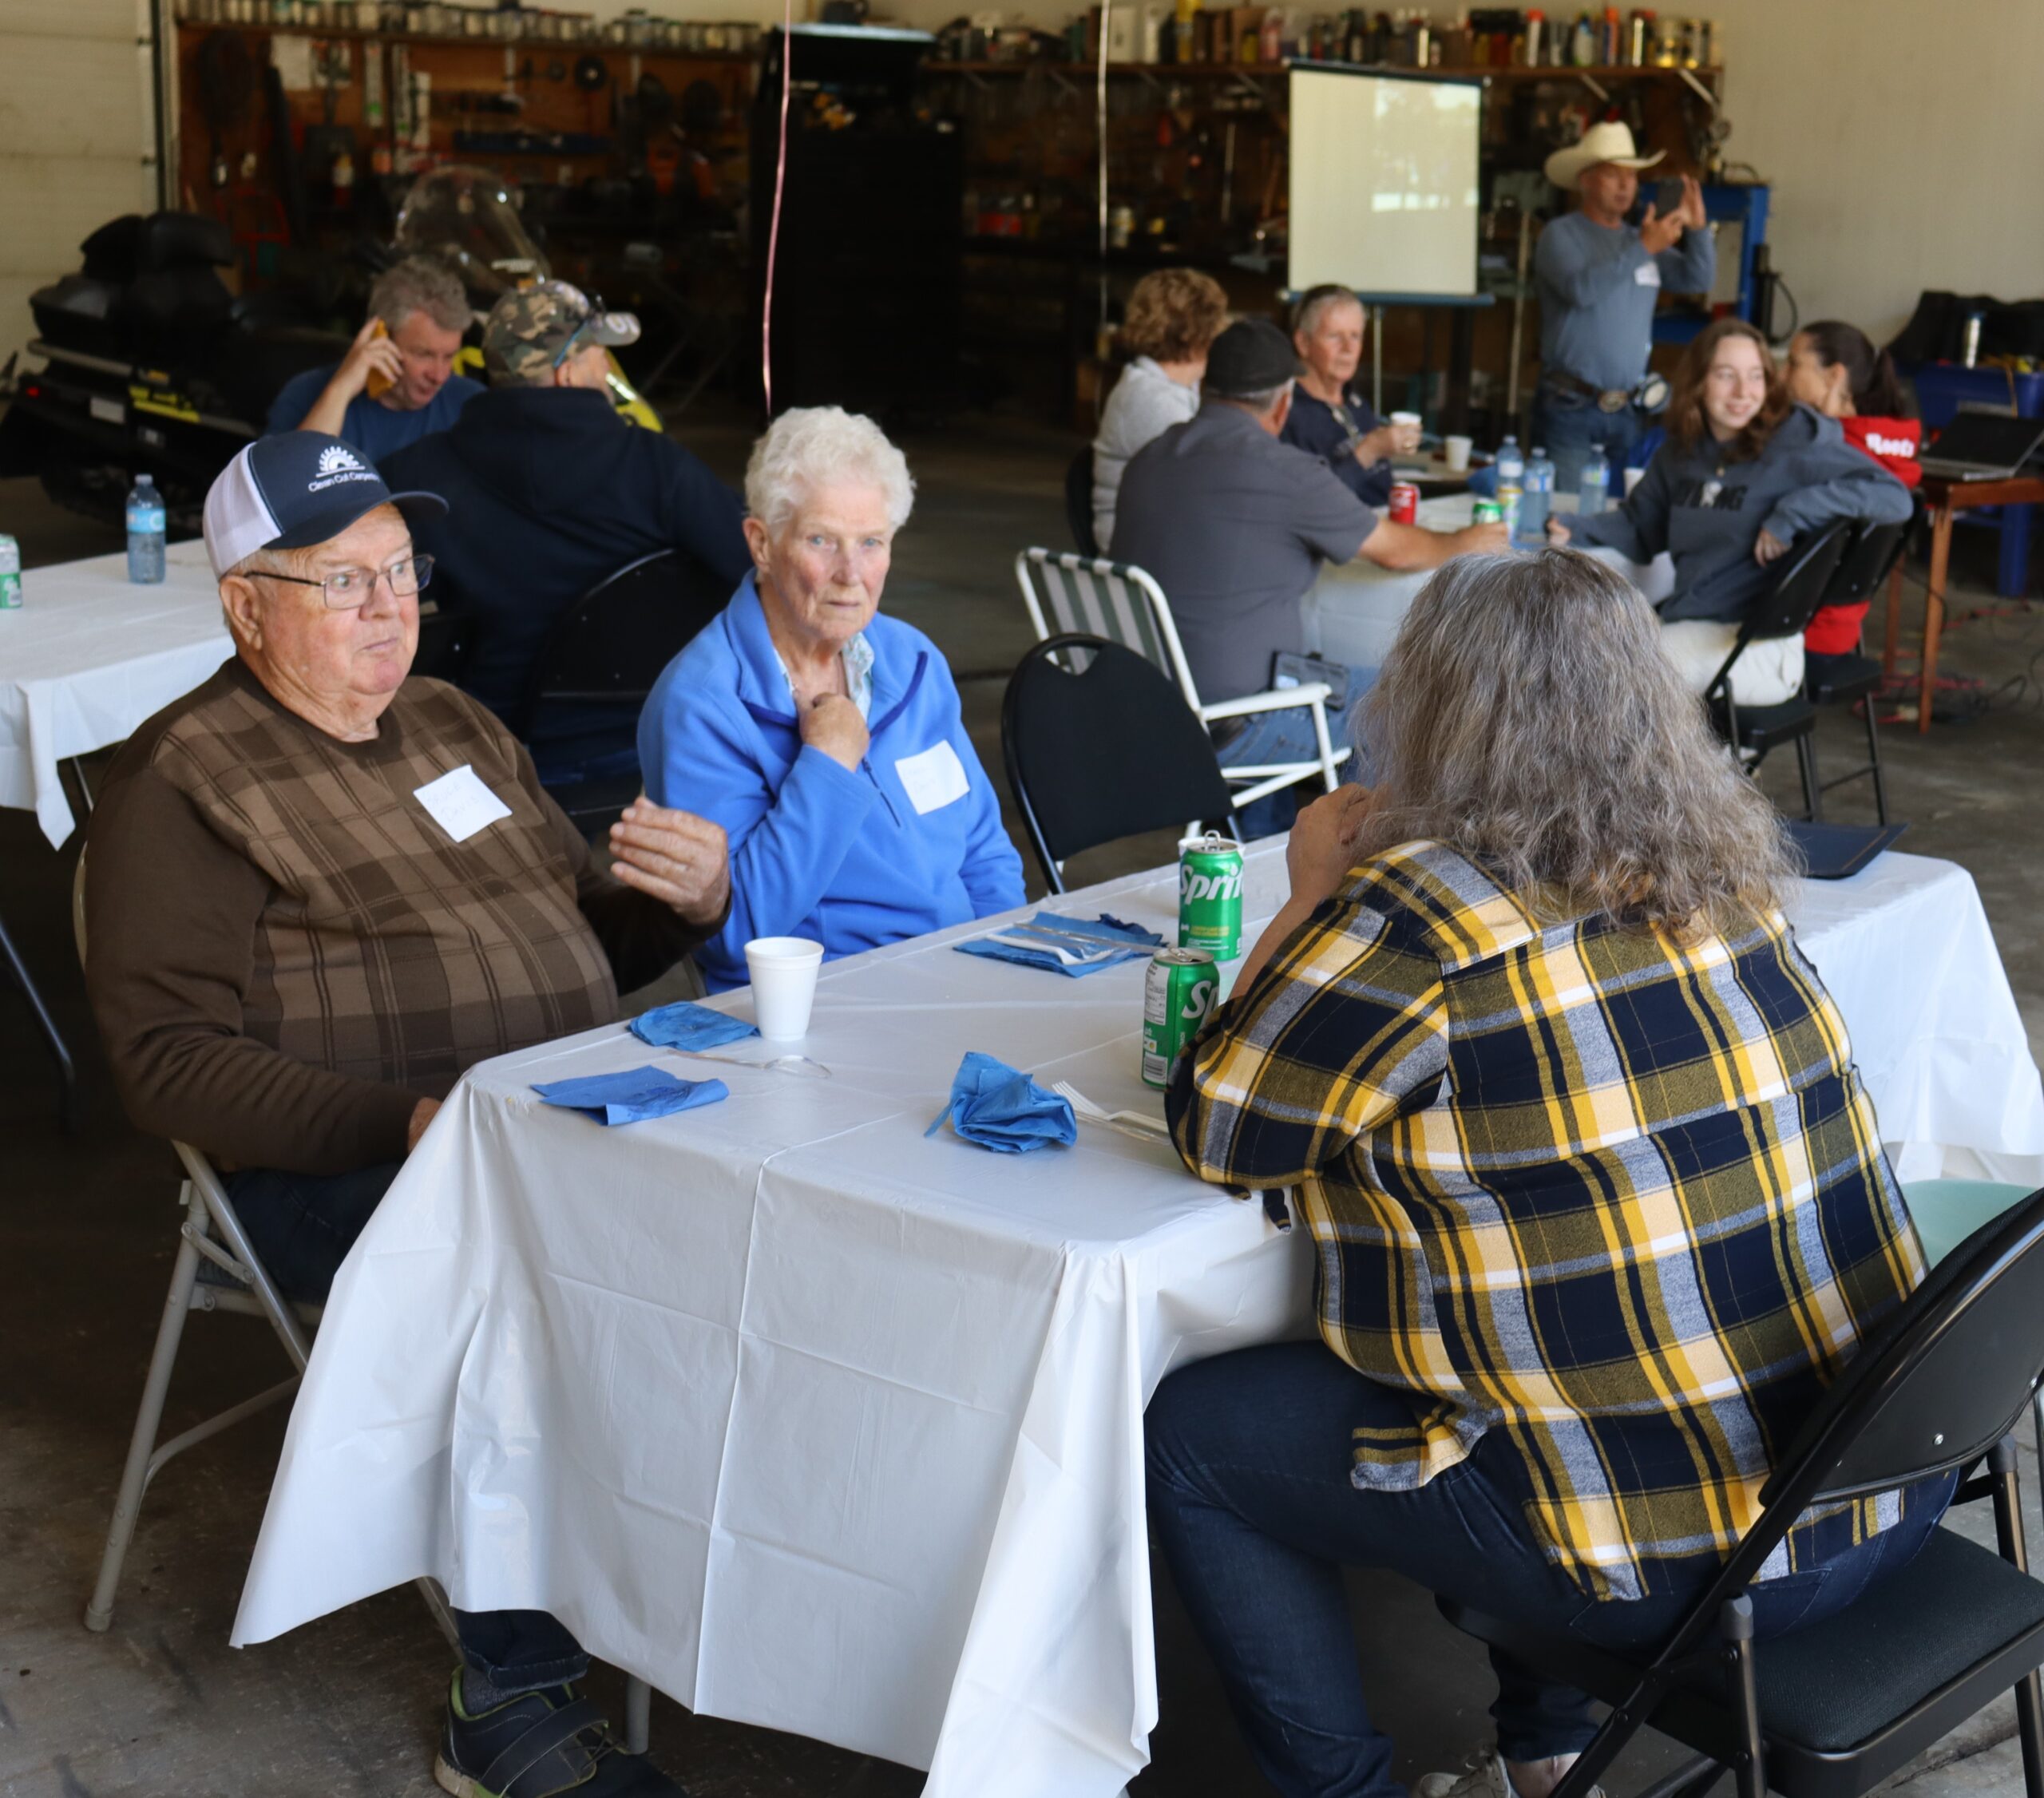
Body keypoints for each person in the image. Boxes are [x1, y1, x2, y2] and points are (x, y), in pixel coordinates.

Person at [1147, 548, 1948, 1798]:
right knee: (1562, 1319)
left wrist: (1310, 890)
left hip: (1681, 1570)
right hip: (1879, 1491)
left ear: (1429, 705)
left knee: (1195, 1437)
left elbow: (1223, 1126)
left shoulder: (1426, 911)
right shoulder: (1728, 878)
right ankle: (1546, 1754)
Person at [84, 431, 729, 1798]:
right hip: (344, 1167)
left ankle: (707, 1579)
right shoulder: (184, 781)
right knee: (531, 1269)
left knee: (759, 1192)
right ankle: (509, 1696)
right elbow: (167, 1063)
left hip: (548, 1120)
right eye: (343, 582)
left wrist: (678, 906)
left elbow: (579, 944)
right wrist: (409, 1120)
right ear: (243, 602)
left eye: (401, 570)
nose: (392, 609)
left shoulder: (453, 720)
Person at [636, 406, 1025, 993]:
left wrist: (1005, 964)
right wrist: (827, 766)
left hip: (960, 978)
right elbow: (735, 931)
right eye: (822, 540)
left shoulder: (913, 661)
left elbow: (983, 851)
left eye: (872, 542)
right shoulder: (703, 703)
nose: (852, 573)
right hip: (829, 1002)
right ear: (762, 544)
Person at [1111, 318, 1507, 827]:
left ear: (1206, 388)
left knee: (1328, 679)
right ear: (1282, 404)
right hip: (1233, 723)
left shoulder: (1149, 458)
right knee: (1399, 700)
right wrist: (1466, 541)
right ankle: (1355, 872)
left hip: (1142, 709)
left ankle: (1257, 839)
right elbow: (1395, 551)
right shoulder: (1284, 472)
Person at [382, 279, 752, 739]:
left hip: (490, 744)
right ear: (568, 373)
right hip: (649, 742)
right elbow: (758, 567)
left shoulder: (417, 472)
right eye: (600, 352)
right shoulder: (656, 468)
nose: (607, 366)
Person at [1553, 317, 1911, 703]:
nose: (1743, 391)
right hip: (1691, 627)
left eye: (1756, 376)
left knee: (1600, 686)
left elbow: (1894, 497)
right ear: (1698, 381)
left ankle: (1700, 762)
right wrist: (1572, 528)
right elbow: (1641, 525)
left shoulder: (1794, 441)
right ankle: (1713, 763)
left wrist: (1793, 512)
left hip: (1755, 648)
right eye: (1726, 375)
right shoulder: (1681, 452)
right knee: (1578, 664)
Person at [1533, 121, 1714, 492]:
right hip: (1571, 405)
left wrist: (1697, 229)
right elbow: (1581, 290)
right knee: (1567, 517)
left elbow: (1698, 280)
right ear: (1585, 180)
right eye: (1613, 176)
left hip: (1629, 409)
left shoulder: (1639, 240)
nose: (1625, 186)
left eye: (1631, 177)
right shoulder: (1560, 234)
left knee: (1620, 520)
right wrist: (1643, 249)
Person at [1785, 321, 1923, 663]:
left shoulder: (1830, 453)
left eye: (1793, 364)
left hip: (1788, 630)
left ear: (1833, 376)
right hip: (1843, 630)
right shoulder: (1893, 447)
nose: (1780, 374)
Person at [266, 256, 483, 461]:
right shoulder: (304, 393)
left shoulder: (470, 405)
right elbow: (287, 491)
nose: (439, 376)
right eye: (424, 354)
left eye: (449, 357)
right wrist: (341, 391)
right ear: (379, 336)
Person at [1091, 268, 1231, 549]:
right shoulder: (1152, 401)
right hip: (1144, 556)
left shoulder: (1167, 388)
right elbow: (1209, 486)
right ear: (1199, 333)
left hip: (1157, 541)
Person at [1279, 286, 1421, 509]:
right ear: (1303, 343)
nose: (1348, 348)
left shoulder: (1357, 405)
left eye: (1355, 336)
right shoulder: (1285, 412)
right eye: (1334, 336)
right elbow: (1309, 507)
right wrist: (1369, 451)